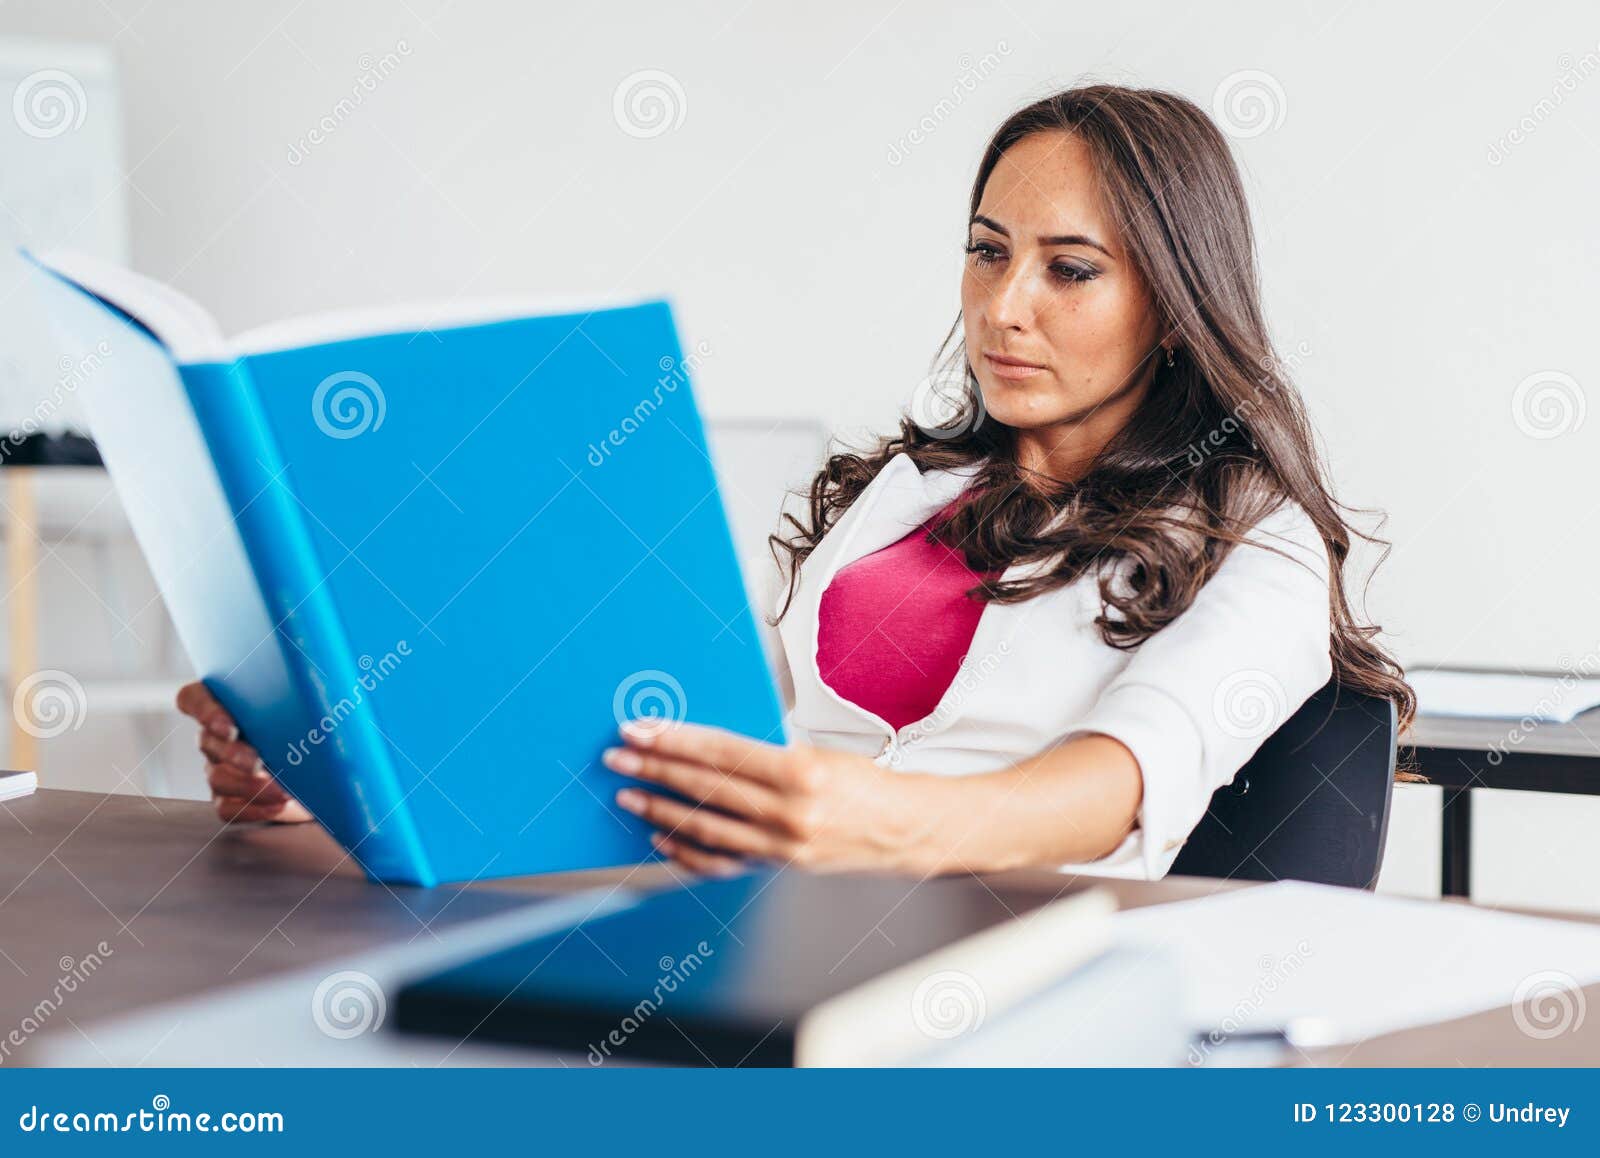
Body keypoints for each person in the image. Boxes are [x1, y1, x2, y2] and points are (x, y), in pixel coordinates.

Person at [176, 85, 1411, 881]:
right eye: (987, 254)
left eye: (1068, 270)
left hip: (1001, 983)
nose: (1002, 307)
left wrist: (881, 823)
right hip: (754, 923)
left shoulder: (1259, 540)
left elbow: (1123, 779)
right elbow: (705, 733)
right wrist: (358, 777)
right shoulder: (905, 493)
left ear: (1176, 306)